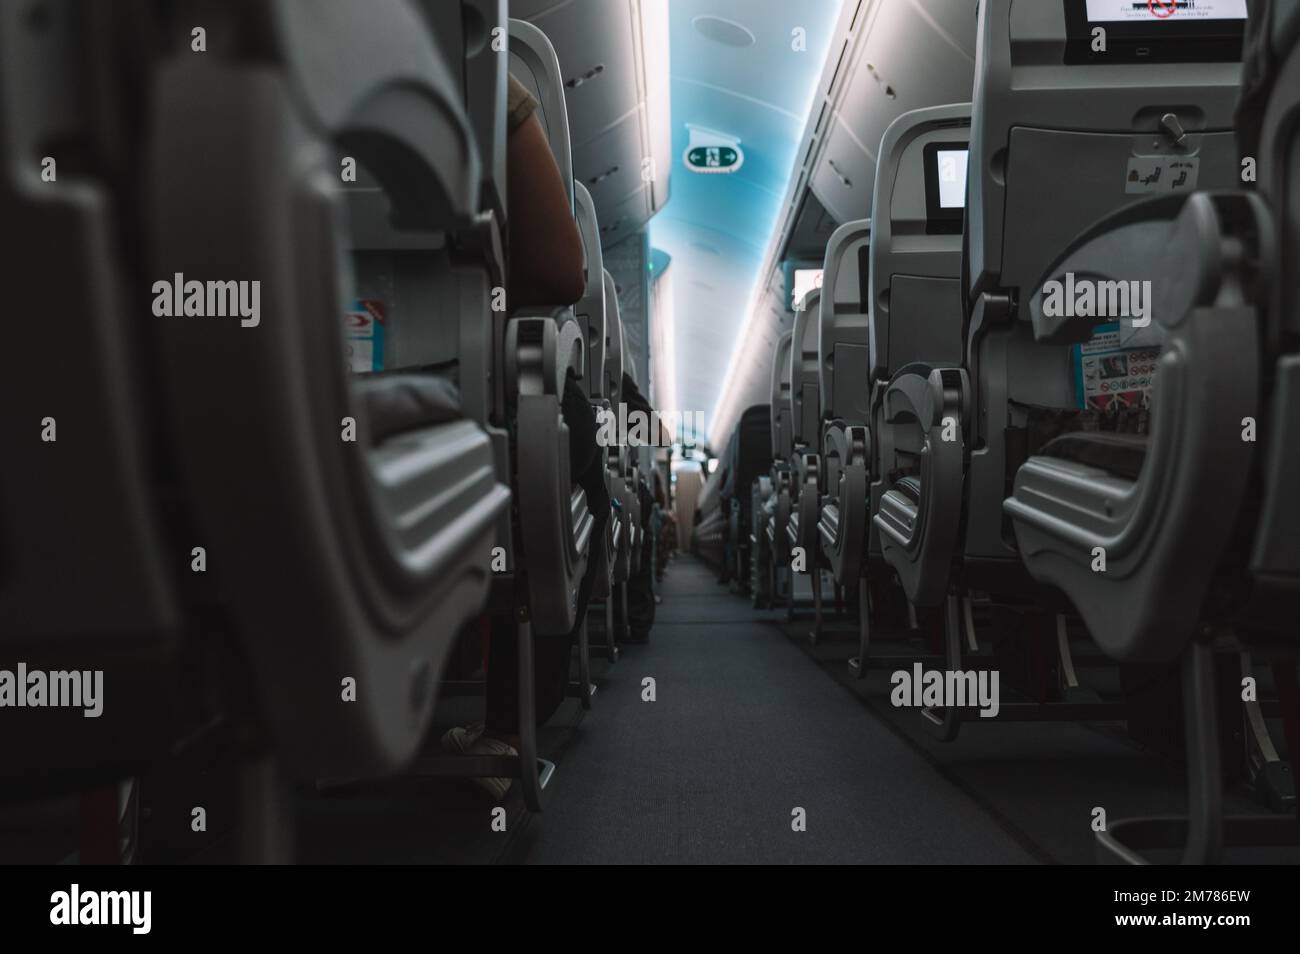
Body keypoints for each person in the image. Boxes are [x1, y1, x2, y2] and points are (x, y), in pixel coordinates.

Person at [442, 75, 610, 799]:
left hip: (242, 376)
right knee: (577, 458)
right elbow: (560, 271)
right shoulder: (467, 49)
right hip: (454, 386)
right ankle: (510, 726)